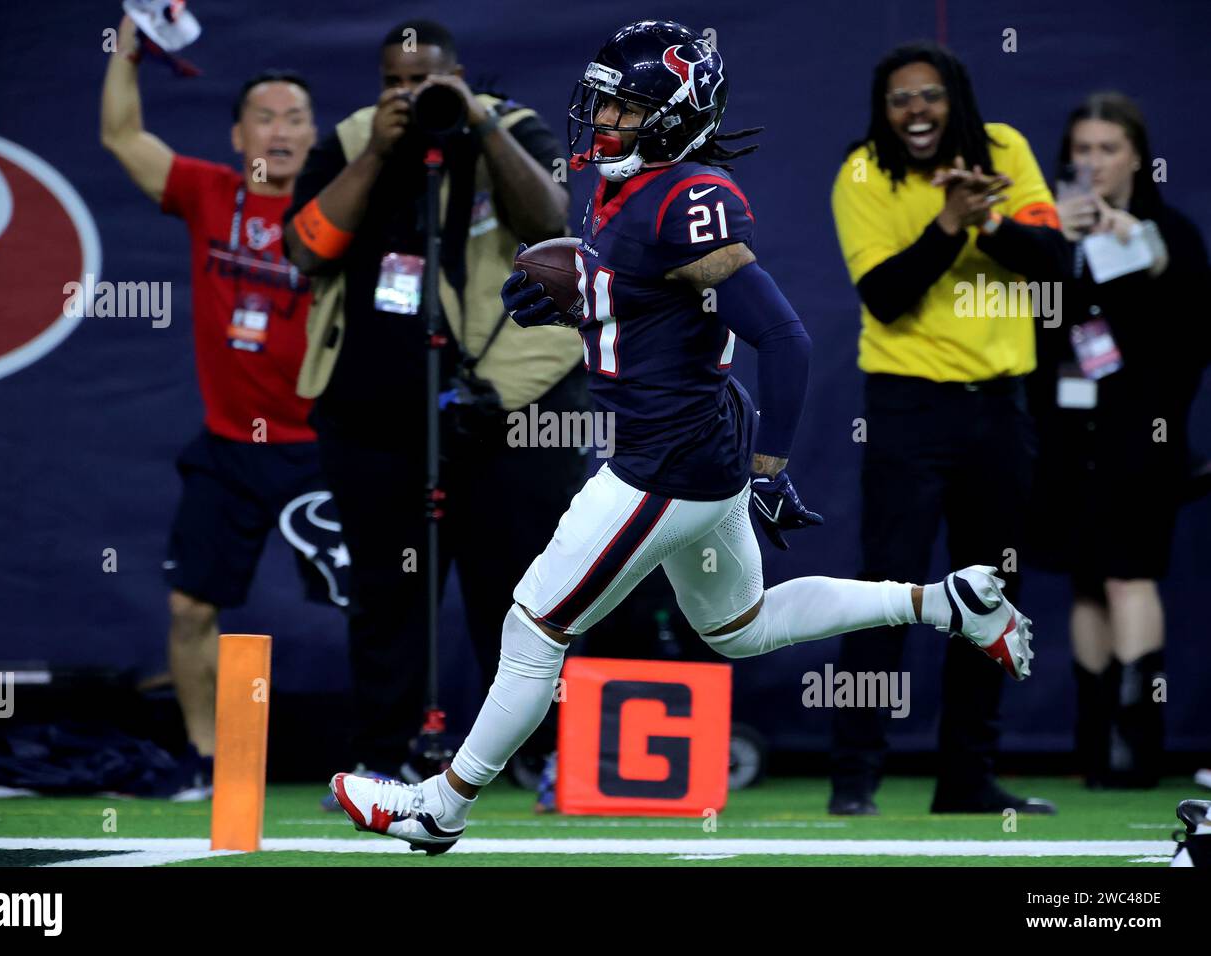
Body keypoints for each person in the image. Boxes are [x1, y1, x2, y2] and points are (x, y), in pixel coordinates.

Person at [325, 20, 1034, 854]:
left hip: (664, 459)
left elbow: (786, 337)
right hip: (693, 447)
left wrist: (771, 467)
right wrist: (582, 293)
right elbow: (650, 295)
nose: (603, 119)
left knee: (534, 622)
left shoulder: (686, 198)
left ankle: (441, 806)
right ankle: (948, 602)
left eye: (623, 106)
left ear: (672, 115)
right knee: (739, 628)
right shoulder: (628, 191)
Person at [283, 20, 588, 781]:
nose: (410, 94)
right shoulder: (353, 138)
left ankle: (541, 758)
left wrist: (477, 120)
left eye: (427, 81)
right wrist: (383, 148)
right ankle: (381, 758)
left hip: (512, 407)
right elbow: (303, 249)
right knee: (388, 593)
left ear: (460, 76)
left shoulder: (509, 126)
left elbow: (550, 221)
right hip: (375, 412)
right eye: (395, 81)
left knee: (522, 589)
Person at [827, 41, 1064, 816]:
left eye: (929, 95)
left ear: (954, 98)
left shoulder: (1005, 149)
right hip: (908, 407)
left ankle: (967, 778)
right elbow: (887, 297)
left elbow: (1056, 265)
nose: (916, 110)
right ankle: (855, 776)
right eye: (900, 99)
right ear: (881, 109)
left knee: (993, 588)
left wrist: (984, 220)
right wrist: (947, 223)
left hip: (1000, 407)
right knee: (887, 587)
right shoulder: (861, 171)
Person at [100, 14, 322, 797]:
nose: (282, 129)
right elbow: (123, 135)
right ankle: (205, 760)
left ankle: (391, 756)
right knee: (191, 607)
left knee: (380, 604)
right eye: (265, 116)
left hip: (324, 448)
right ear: (237, 135)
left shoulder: (344, 208)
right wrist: (128, 43)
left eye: (296, 117)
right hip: (229, 447)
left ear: (315, 133)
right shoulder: (208, 193)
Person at [1026, 92, 1211, 788]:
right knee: (1084, 581)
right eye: (1082, 150)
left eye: (1108, 149)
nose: (1094, 162)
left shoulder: (1170, 233)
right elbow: (1032, 329)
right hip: (1066, 433)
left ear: (1136, 155)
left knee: (1129, 573)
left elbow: (1194, 326)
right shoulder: (1048, 230)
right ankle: (1094, 743)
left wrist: (1138, 246)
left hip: (1142, 434)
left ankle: (1138, 746)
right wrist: (1058, 242)